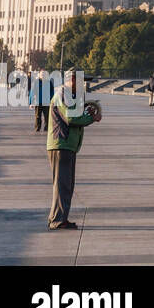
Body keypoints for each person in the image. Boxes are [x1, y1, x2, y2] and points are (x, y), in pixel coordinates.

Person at [47, 69, 101, 230]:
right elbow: (71, 118)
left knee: (65, 184)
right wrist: (91, 118)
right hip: (61, 144)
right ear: (71, 80)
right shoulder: (63, 95)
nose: (82, 85)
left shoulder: (68, 96)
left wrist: (86, 112)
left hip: (67, 145)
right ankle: (57, 220)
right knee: (62, 184)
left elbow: (74, 115)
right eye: (80, 81)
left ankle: (58, 217)